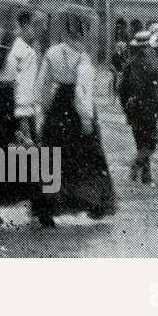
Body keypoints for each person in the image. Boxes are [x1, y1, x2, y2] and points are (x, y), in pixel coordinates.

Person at [31, 11, 116, 227]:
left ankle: (46, 207)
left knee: (52, 158)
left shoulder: (52, 53)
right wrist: (86, 119)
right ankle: (89, 201)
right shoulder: (83, 58)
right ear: (81, 33)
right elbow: (82, 93)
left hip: (58, 107)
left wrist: (48, 109)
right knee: (84, 158)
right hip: (76, 114)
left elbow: (40, 87)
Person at [0, 11, 41, 226]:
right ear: (26, 25)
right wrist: (23, 120)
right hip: (15, 107)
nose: (41, 30)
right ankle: (40, 207)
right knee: (32, 154)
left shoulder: (0, 44)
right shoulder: (28, 52)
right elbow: (24, 87)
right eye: (38, 25)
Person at [117, 30, 158, 185]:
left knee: (140, 141)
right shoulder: (153, 65)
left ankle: (146, 174)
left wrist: (126, 107)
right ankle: (138, 165)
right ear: (147, 47)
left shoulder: (129, 64)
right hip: (149, 109)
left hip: (134, 109)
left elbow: (121, 89)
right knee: (151, 142)